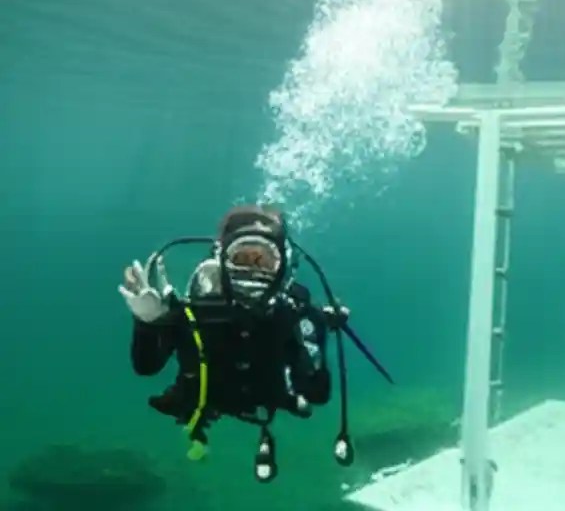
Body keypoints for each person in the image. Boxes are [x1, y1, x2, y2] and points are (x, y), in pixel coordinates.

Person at [119, 204, 392, 482]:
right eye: (242, 258)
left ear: (282, 267)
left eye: (263, 260)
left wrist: (315, 327)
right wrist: (148, 321)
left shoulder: (292, 312)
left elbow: (317, 392)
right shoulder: (195, 309)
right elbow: (146, 366)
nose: (252, 271)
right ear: (221, 260)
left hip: (269, 398)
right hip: (202, 403)